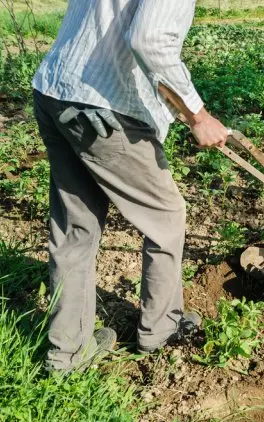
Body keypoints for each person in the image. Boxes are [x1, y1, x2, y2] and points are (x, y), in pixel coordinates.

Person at [32, 0, 228, 373]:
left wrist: (177, 108)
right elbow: (149, 39)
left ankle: (68, 353)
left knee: (76, 228)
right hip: (103, 107)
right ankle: (162, 331)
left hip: (55, 89)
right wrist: (197, 116)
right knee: (166, 217)